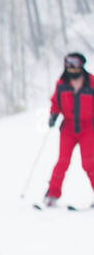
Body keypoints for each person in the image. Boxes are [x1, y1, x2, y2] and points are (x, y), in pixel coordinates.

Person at [43, 51, 94, 208]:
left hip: (88, 127)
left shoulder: (91, 82)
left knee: (90, 163)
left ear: (81, 65)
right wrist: (53, 114)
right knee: (62, 161)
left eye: (74, 63)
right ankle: (52, 194)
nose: (71, 66)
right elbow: (55, 101)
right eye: (68, 62)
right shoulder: (62, 83)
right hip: (69, 128)